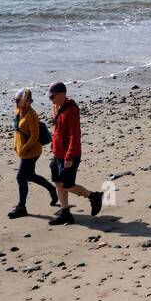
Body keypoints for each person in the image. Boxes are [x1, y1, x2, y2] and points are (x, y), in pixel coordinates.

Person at [46, 81, 103, 225]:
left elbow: (74, 136)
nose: (50, 100)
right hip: (57, 154)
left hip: (69, 155)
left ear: (62, 95)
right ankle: (66, 213)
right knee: (58, 182)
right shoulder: (59, 108)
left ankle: (94, 196)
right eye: (49, 97)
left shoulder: (70, 111)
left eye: (52, 97)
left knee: (67, 185)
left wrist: (69, 156)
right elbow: (58, 129)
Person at [9, 88, 57, 219]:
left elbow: (35, 136)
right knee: (30, 176)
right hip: (23, 151)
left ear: (25, 101)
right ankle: (52, 190)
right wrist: (15, 145)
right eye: (15, 100)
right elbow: (17, 131)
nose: (15, 102)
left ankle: (21, 207)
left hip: (32, 151)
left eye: (17, 100)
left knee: (20, 177)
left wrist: (24, 147)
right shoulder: (19, 112)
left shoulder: (32, 115)